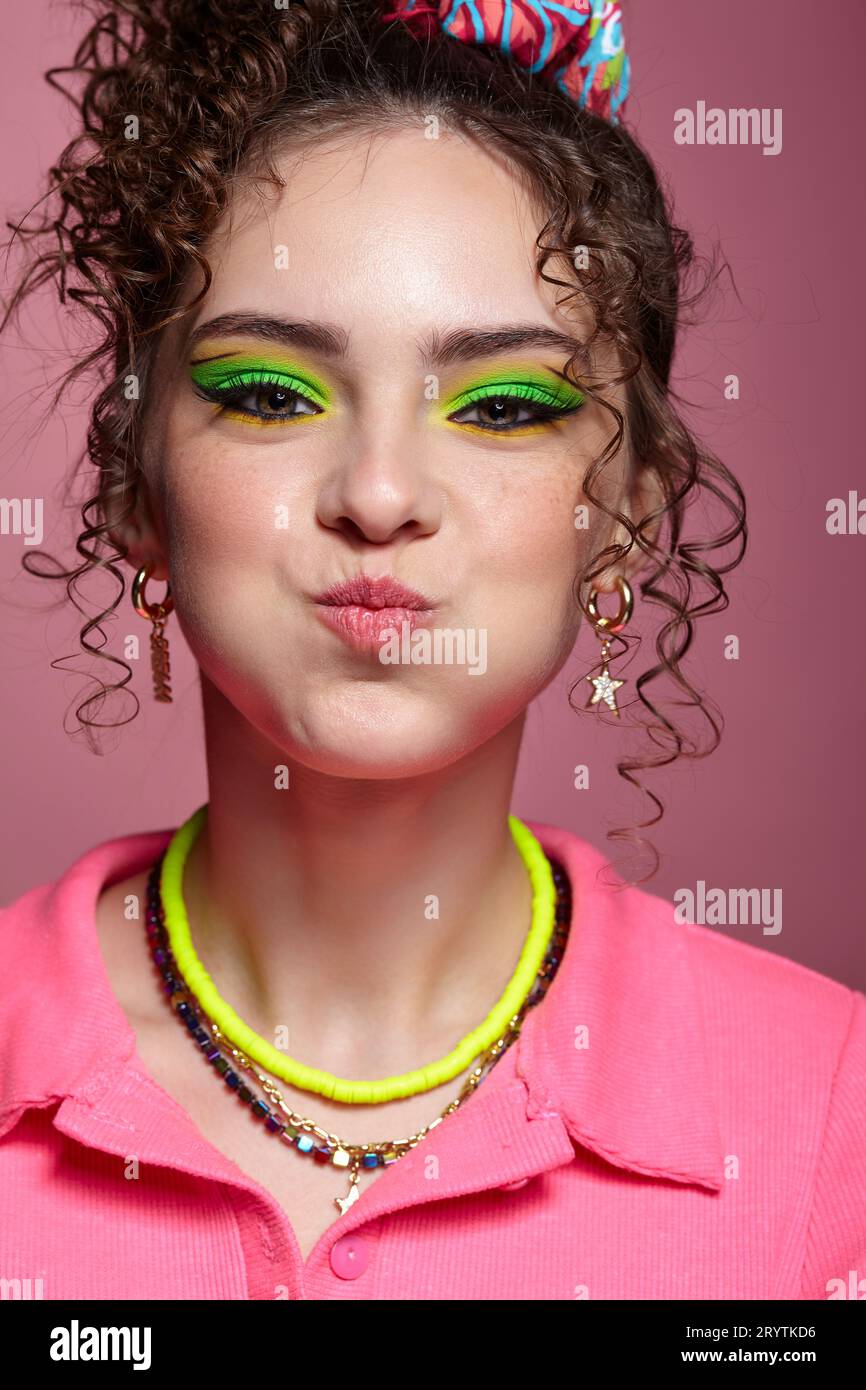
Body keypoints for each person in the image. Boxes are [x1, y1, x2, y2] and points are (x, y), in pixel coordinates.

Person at [1, 0, 863, 1302]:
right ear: (135, 491)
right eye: (269, 392)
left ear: (623, 515)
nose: (382, 490)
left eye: (502, 405)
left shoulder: (829, 1120)